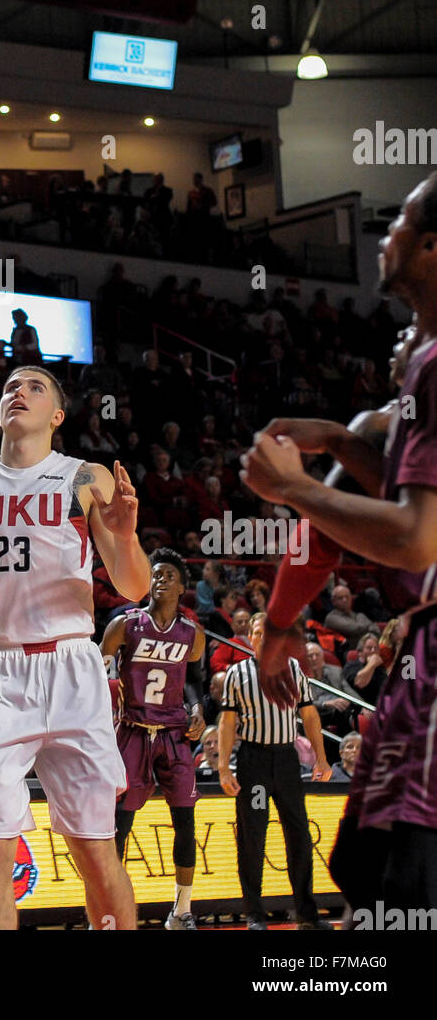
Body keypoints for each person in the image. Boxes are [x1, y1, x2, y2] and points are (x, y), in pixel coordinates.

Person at [242, 181, 437, 918]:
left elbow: (408, 532)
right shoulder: (386, 423)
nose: (379, 237)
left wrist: (291, 486)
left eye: (397, 223)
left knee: (397, 889)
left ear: (429, 246)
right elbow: (327, 532)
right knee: (371, 875)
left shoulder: (422, 378)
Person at [0, 366, 150, 928]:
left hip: (70, 665)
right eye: (11, 386)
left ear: (58, 416)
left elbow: (134, 587)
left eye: (36, 387)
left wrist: (126, 536)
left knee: (94, 844)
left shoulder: (86, 477)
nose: (20, 392)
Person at [105, 549, 206, 931]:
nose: (159, 580)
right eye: (155, 574)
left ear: (181, 587)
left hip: (174, 735)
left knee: (185, 820)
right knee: (121, 823)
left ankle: (181, 911)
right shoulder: (124, 626)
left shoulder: (191, 635)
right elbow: (98, 672)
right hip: (132, 730)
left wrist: (198, 710)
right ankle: (112, 908)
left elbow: (194, 681)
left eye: (167, 576)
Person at [219, 612, 332, 930]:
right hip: (254, 761)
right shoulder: (237, 673)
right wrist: (223, 768)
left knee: (299, 836)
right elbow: (227, 723)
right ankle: (254, 914)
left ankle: (307, 916)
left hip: (286, 761)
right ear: (250, 637)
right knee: (253, 837)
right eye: (258, 632)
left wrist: (321, 759)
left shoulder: (294, 669)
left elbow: (309, 716)